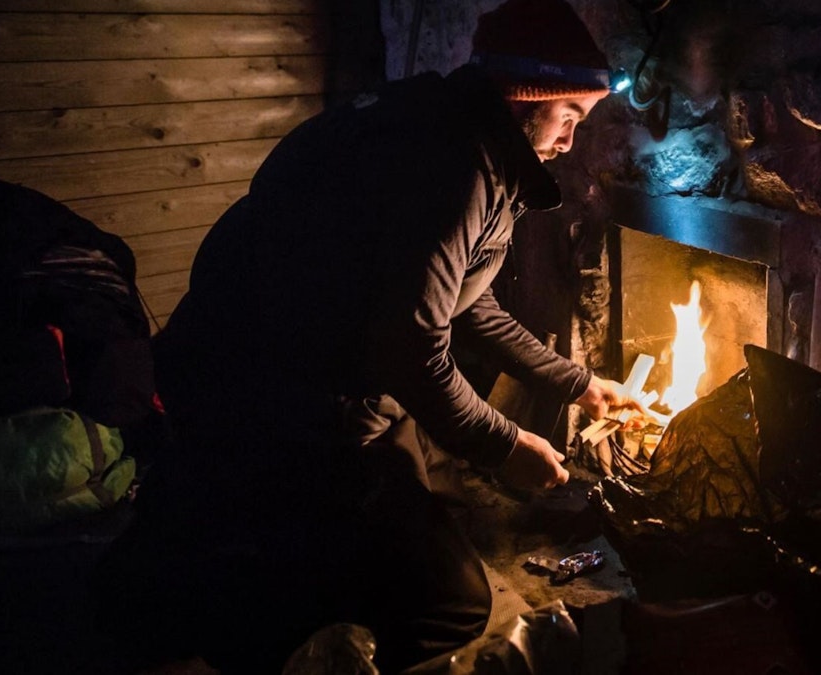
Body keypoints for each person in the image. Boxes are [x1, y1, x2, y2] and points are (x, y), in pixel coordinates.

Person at [92, 0, 639, 673]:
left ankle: (205, 566)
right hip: (273, 395)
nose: (571, 142)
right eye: (570, 117)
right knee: (452, 604)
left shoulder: (470, 137)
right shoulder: (455, 162)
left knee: (399, 496)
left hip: (282, 372)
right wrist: (504, 444)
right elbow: (412, 347)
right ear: (527, 96)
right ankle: (272, 640)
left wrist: (581, 385)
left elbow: (470, 306)